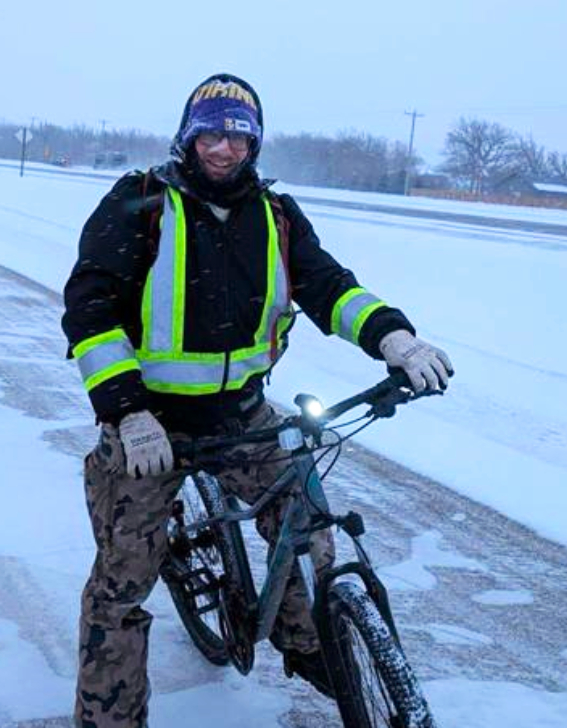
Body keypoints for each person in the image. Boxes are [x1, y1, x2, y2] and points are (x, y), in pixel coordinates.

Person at [62, 72, 453, 728]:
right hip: (150, 424)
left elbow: (329, 286)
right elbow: (90, 310)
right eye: (210, 134)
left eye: (238, 137)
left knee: (308, 519)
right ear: (188, 137)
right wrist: (126, 411)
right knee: (120, 588)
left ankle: (307, 639)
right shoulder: (141, 204)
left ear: (254, 144)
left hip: (242, 414)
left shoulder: (276, 214)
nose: (224, 148)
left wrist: (395, 338)